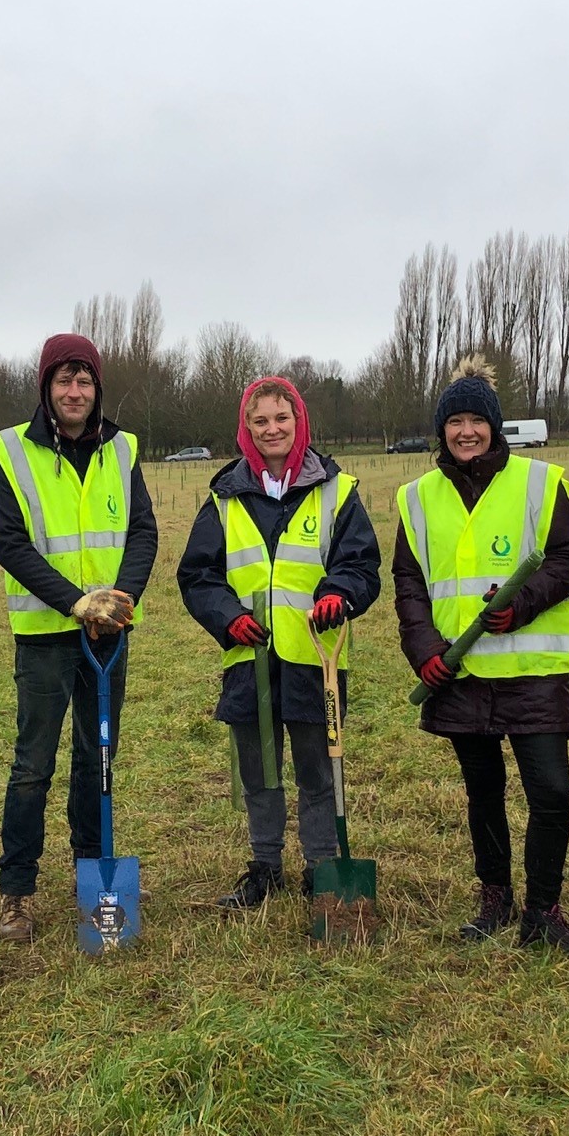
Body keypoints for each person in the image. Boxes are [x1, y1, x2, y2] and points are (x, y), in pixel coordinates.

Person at [392, 359, 569, 962]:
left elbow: (567, 558)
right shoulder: (416, 498)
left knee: (550, 791)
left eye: (476, 421)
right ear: (442, 431)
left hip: (531, 671)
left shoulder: (540, 483)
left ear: (494, 426)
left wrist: (525, 605)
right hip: (460, 674)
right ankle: (494, 898)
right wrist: (425, 650)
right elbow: (409, 582)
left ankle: (543, 911)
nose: (466, 432)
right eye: (455, 421)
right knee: (481, 790)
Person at [177, 375, 380, 910]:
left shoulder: (338, 490)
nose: (272, 429)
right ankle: (265, 867)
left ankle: (320, 867)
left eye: (281, 419)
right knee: (259, 771)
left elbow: (361, 565)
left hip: (316, 659)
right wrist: (227, 619)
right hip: (250, 659)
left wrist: (340, 593)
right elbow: (199, 576)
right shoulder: (224, 497)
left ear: (299, 422)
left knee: (317, 768)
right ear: (247, 428)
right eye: (260, 420)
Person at [0, 332, 159, 942]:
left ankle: (93, 878)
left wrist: (120, 598)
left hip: (109, 632)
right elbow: (10, 544)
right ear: (46, 388)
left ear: (97, 388)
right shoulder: (10, 453)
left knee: (97, 758)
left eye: (84, 381)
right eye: (64, 380)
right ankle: (17, 893)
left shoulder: (123, 449)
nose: (75, 391)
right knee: (33, 765)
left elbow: (142, 532)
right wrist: (74, 601)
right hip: (45, 636)